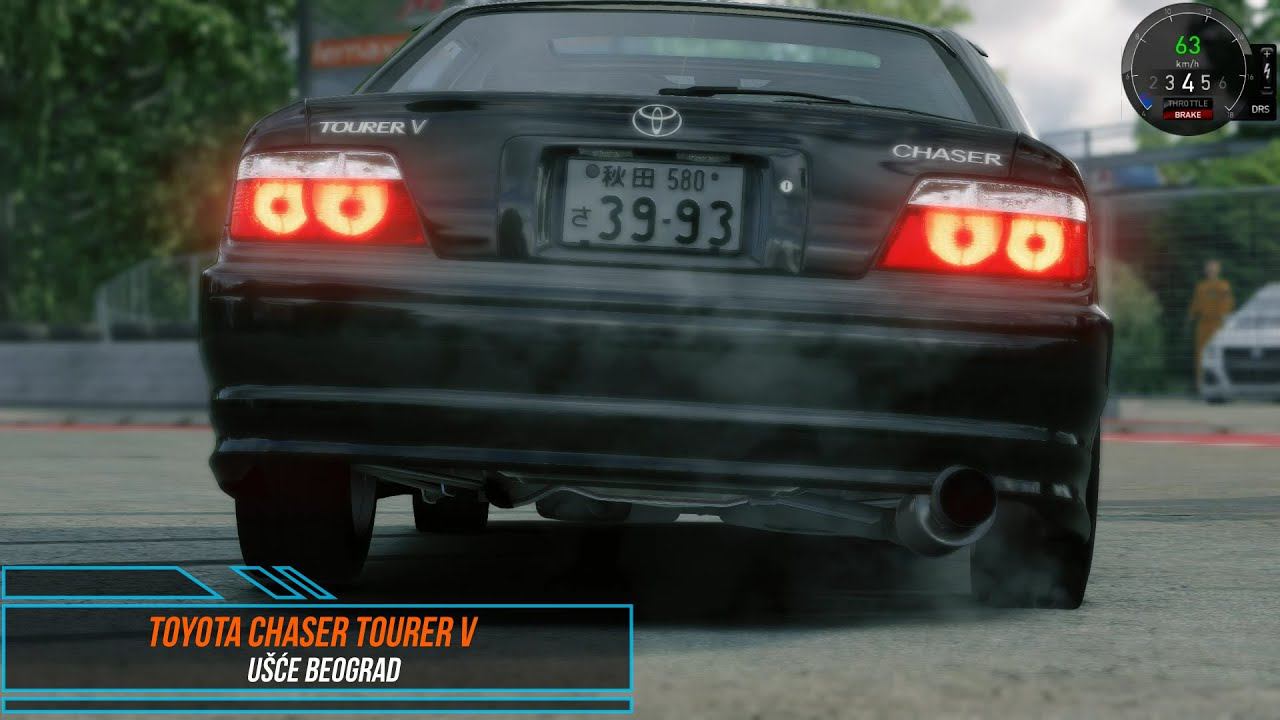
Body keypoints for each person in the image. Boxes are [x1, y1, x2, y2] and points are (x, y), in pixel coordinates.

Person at [1188, 259, 1234, 380]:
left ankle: (1218, 381)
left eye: (1213, 269)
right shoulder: (1201, 287)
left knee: (1217, 353)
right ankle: (1200, 382)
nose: (1211, 271)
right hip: (1203, 324)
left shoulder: (1223, 286)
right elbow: (1195, 303)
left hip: (1217, 324)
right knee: (1200, 353)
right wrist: (1191, 315)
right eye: (1209, 269)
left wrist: (1225, 319)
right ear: (1205, 271)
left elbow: (1227, 303)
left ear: (1218, 270)